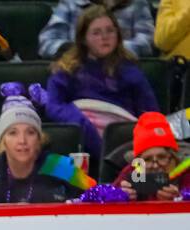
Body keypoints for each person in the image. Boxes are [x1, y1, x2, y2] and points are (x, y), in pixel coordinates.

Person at [42, 6, 161, 158]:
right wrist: (83, 123)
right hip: (82, 144)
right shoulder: (67, 69)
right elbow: (54, 106)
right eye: (96, 33)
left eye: (110, 31)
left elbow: (150, 114)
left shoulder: (130, 70)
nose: (105, 37)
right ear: (83, 39)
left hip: (123, 144)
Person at [0, 84, 94, 203]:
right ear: (3, 140)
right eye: (13, 133)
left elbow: (96, 193)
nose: (22, 141)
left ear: (39, 139)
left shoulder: (62, 167)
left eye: (30, 132)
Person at [112, 111, 190, 200]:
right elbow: (106, 202)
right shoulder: (131, 172)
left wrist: (179, 200)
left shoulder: (186, 173)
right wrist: (120, 196)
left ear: (173, 157)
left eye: (162, 157)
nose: (155, 165)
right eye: (147, 159)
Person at [38, 0, 154, 59]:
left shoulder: (137, 3)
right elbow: (47, 41)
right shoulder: (71, 3)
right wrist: (81, 50)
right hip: (77, 70)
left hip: (121, 71)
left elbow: (147, 41)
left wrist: (113, 49)